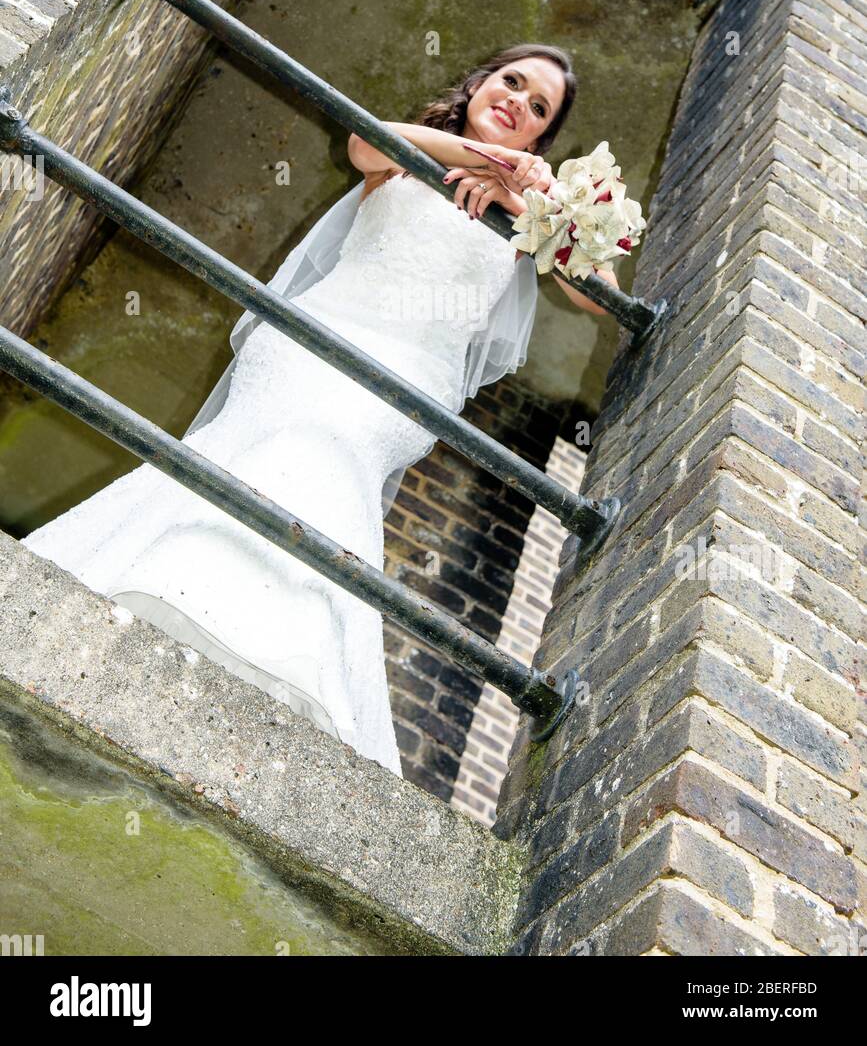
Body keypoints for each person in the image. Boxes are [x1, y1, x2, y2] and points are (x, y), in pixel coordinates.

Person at [22, 44, 618, 775]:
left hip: (403, 389)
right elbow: (363, 142)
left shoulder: (528, 224)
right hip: (315, 342)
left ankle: (258, 665)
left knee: (326, 472)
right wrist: (478, 159)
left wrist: (526, 201)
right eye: (510, 82)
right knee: (252, 460)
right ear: (477, 86)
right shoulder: (409, 152)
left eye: (536, 109)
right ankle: (168, 617)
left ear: (540, 140)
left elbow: (595, 292)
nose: (516, 102)